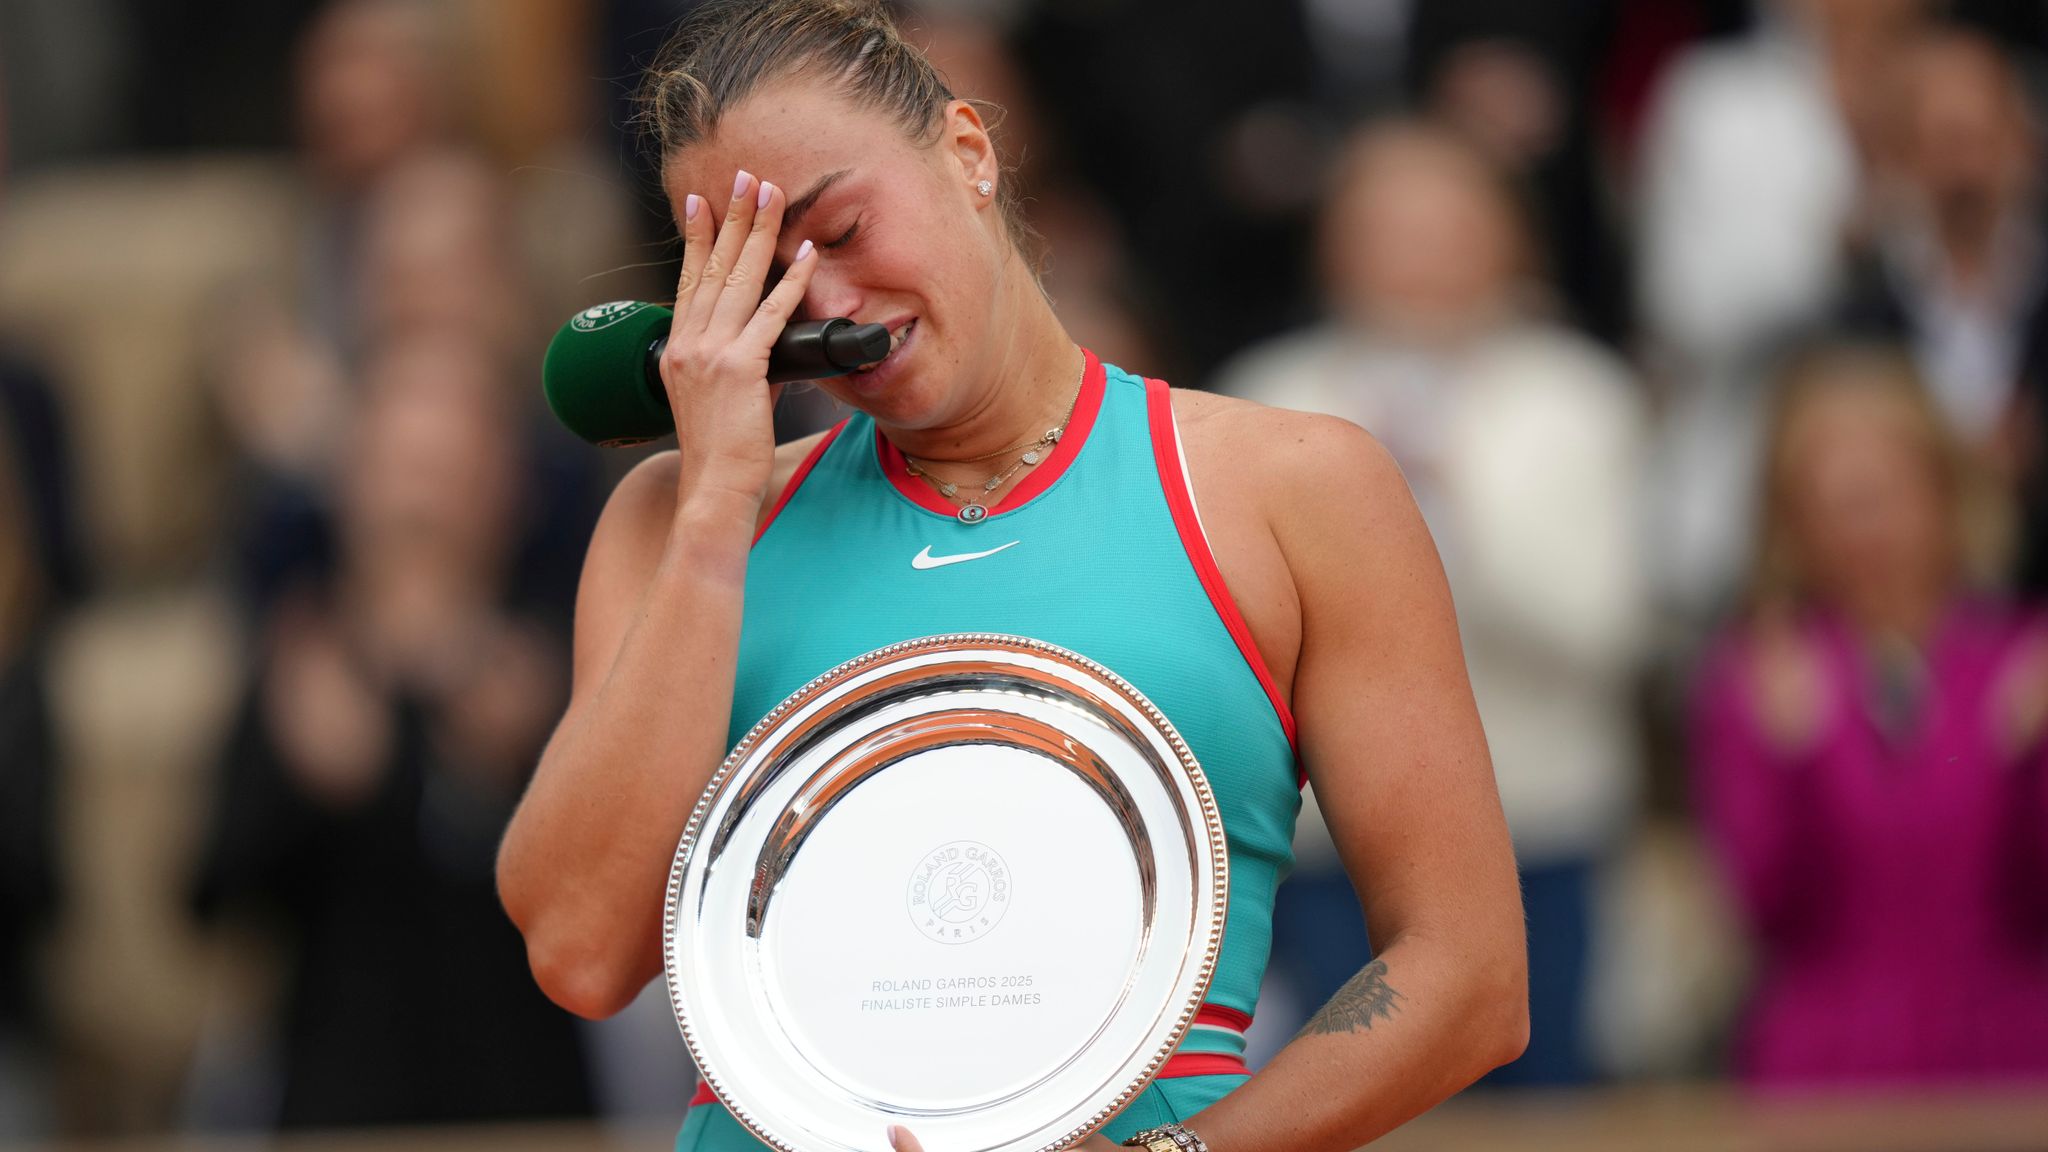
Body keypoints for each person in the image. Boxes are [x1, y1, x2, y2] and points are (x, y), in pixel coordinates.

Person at [496, 3, 1528, 1152]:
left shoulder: (1290, 487)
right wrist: (714, 514)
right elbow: (583, 952)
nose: (823, 306)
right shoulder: (677, 523)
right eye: (759, 282)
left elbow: (1468, 976)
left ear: (969, 152)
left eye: (839, 230)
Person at [1218, 120, 1647, 1087]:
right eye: (1384, 226)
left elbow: (1609, 632)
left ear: (1508, 236)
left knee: (1548, 1120)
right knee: (1341, 1112)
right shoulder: (1266, 394)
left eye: (1444, 224)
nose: (1413, 254)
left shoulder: (1579, 398)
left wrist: (1444, 510)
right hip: (1325, 852)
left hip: (1544, 836)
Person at [1689, 343, 2048, 1087]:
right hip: (1826, 1075)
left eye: (1883, 495)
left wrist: (2031, 764)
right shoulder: (1761, 673)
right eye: (1832, 505)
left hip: (2009, 1065)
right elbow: (1765, 910)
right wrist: (1797, 760)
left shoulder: (2022, 662)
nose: (1864, 530)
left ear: (1946, 493)